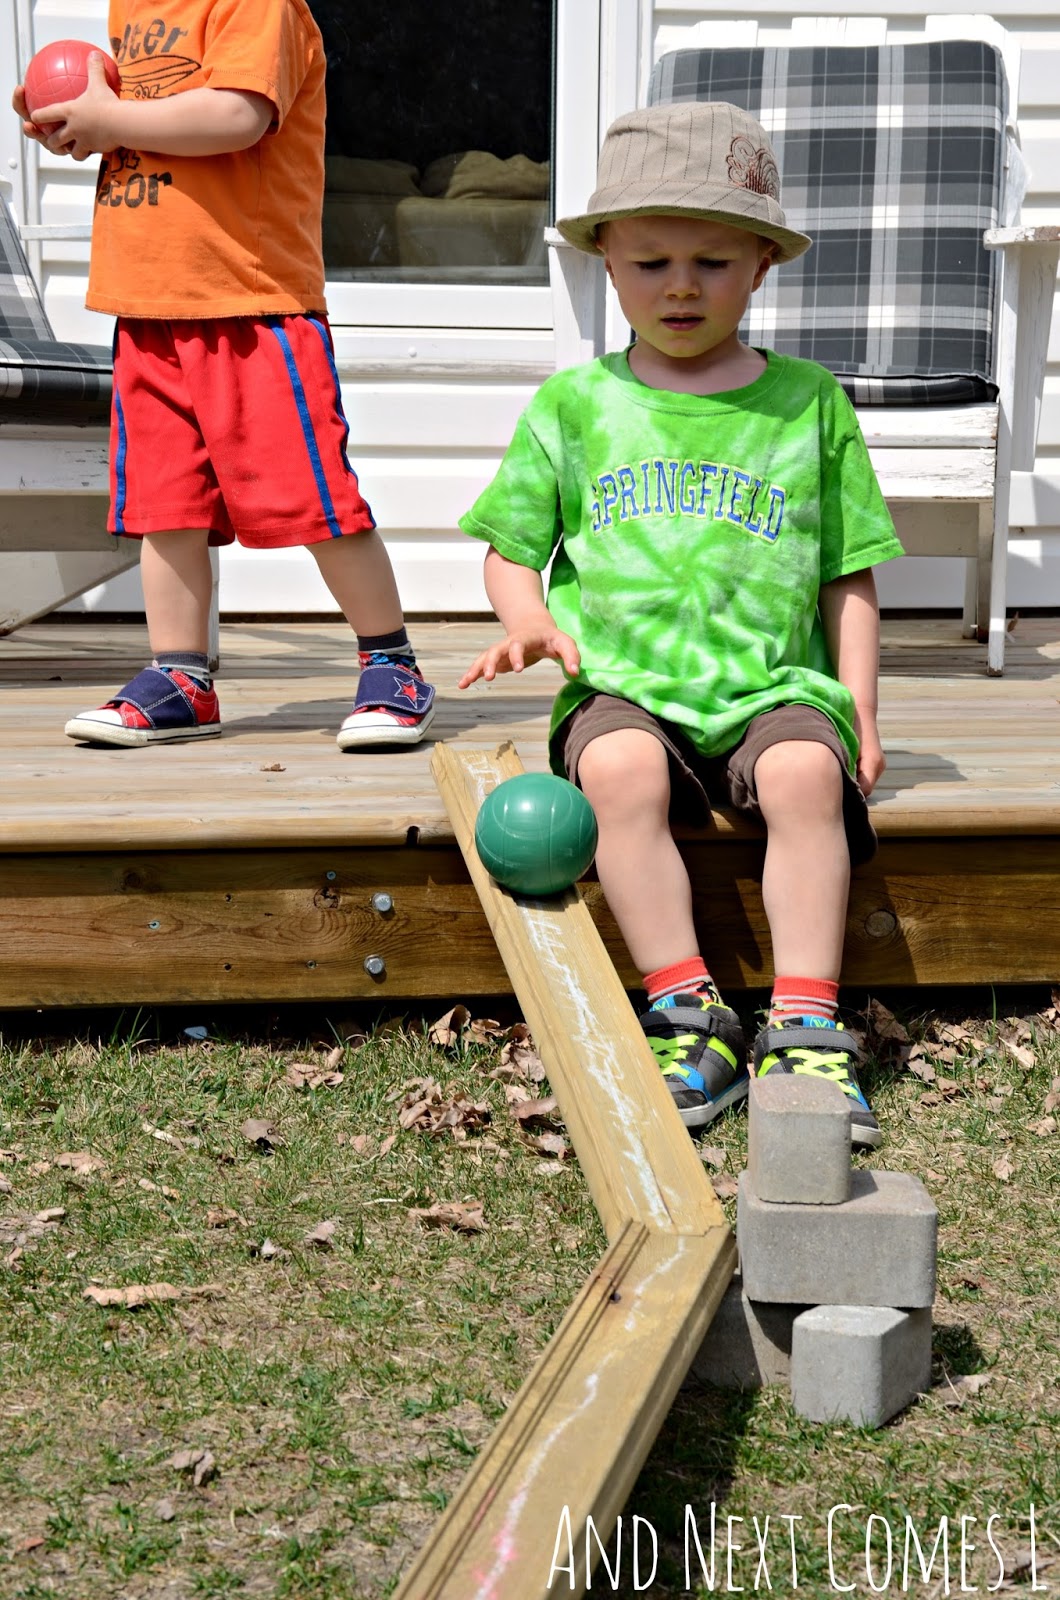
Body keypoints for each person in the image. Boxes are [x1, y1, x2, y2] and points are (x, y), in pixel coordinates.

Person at [458, 102, 905, 1149]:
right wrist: (527, 619)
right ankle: (686, 1009)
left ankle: (805, 1022)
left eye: (712, 261)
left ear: (761, 265)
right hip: (625, 684)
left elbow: (847, 574)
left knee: (806, 776)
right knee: (619, 772)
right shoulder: (575, 407)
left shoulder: (808, 404)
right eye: (651, 261)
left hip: (770, 685)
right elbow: (510, 546)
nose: (681, 286)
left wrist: (861, 712)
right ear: (607, 264)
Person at [12, 1, 435, 750]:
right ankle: (181, 679)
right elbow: (149, 124)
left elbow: (238, 115)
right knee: (164, 508)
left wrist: (111, 119)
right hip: (149, 310)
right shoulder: (134, 8)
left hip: (250, 306)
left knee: (315, 499)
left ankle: (392, 664)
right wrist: (80, 121)